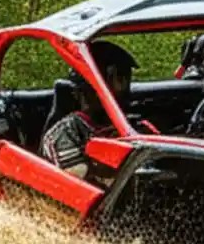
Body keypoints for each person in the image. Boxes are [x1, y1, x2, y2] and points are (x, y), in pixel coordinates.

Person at [40, 40, 139, 178]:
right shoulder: (65, 133)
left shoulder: (133, 127)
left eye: (125, 80)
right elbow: (79, 182)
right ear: (89, 87)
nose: (124, 88)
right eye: (118, 79)